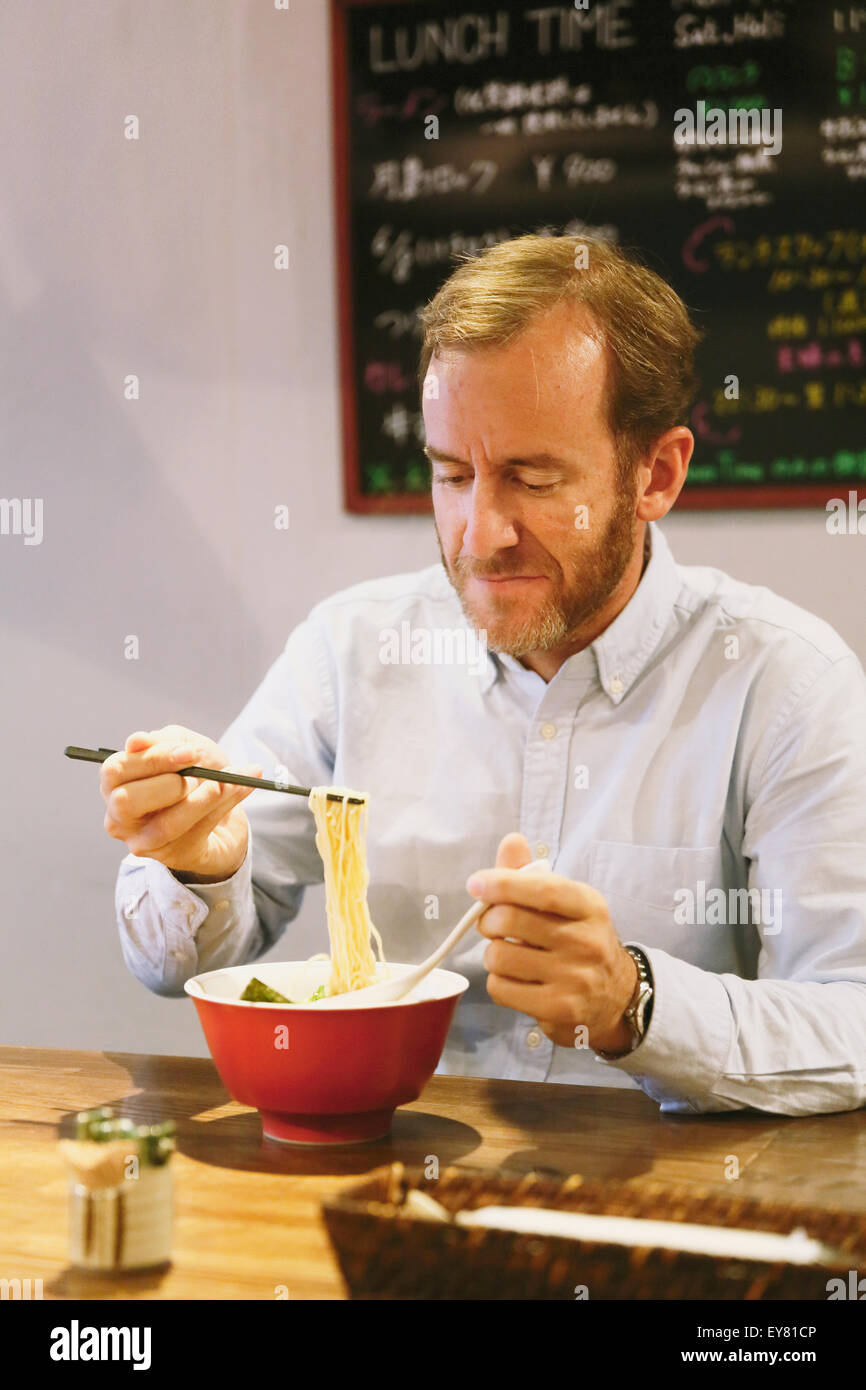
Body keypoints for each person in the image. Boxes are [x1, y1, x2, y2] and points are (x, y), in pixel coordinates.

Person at [105, 233, 866, 1116]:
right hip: (385, 1177)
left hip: (663, 1209)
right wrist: (196, 865)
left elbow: (852, 1020)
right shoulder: (352, 651)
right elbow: (166, 966)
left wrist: (635, 1003)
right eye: (453, 475)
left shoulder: (785, 685)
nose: (479, 533)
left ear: (656, 473)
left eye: (533, 480)